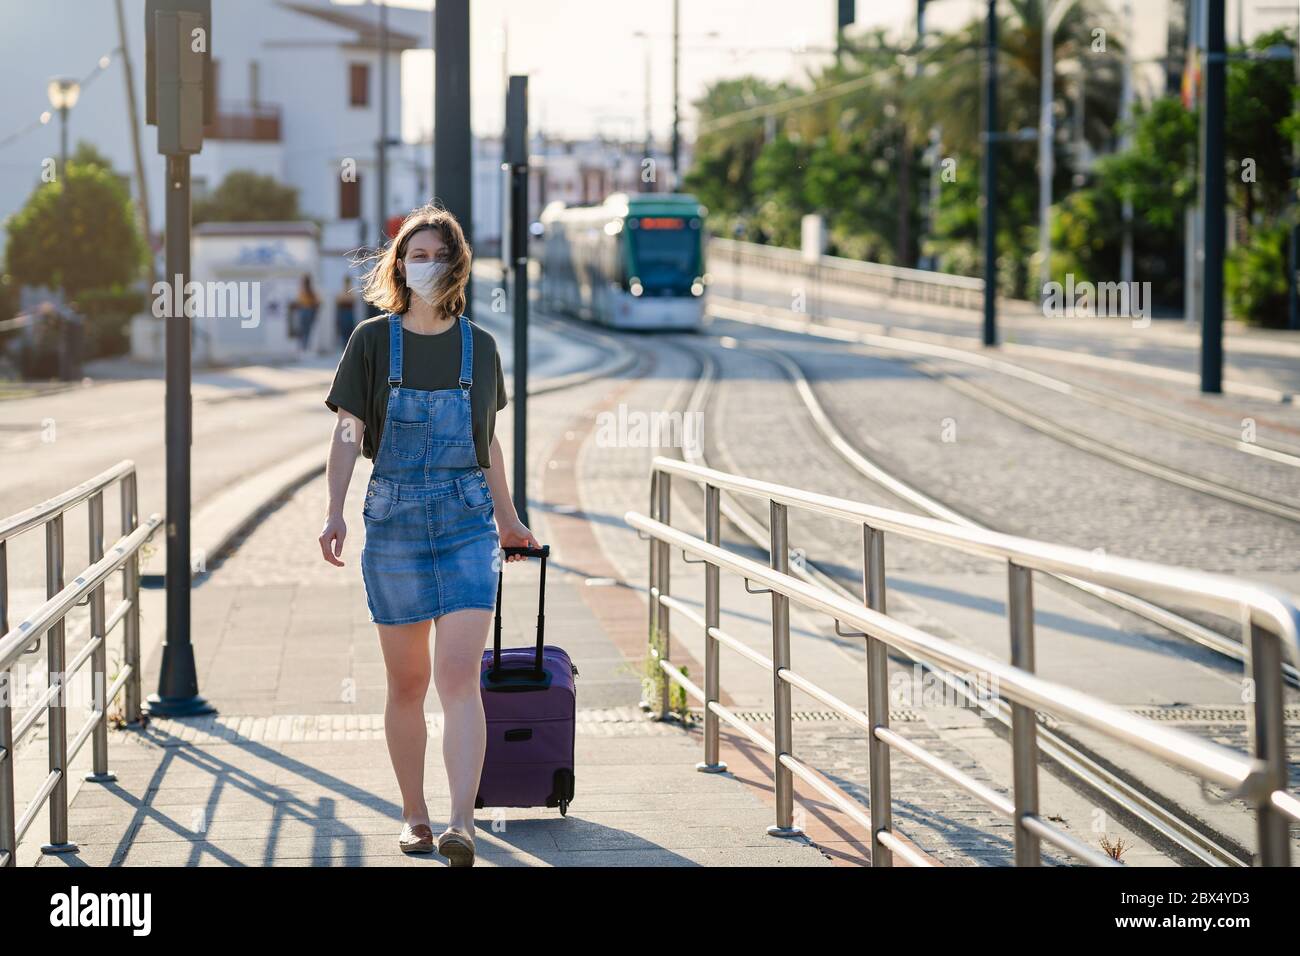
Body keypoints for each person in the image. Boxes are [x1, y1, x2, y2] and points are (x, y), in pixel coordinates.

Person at [318, 203, 538, 867]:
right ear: (398, 264)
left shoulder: (483, 347)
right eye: (415, 253)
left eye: (438, 253)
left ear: (456, 264)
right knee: (407, 685)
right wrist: (334, 511)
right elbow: (348, 433)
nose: (427, 264)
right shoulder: (371, 343)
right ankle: (414, 814)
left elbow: (487, 443)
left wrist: (509, 519)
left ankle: (461, 823)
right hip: (396, 525)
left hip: (467, 523)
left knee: (458, 678)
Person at [293, 274, 320, 352]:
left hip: (307, 311)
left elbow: (317, 302)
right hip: (305, 311)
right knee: (304, 329)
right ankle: (304, 346)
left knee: (305, 329)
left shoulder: (309, 291)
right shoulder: (305, 291)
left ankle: (304, 346)